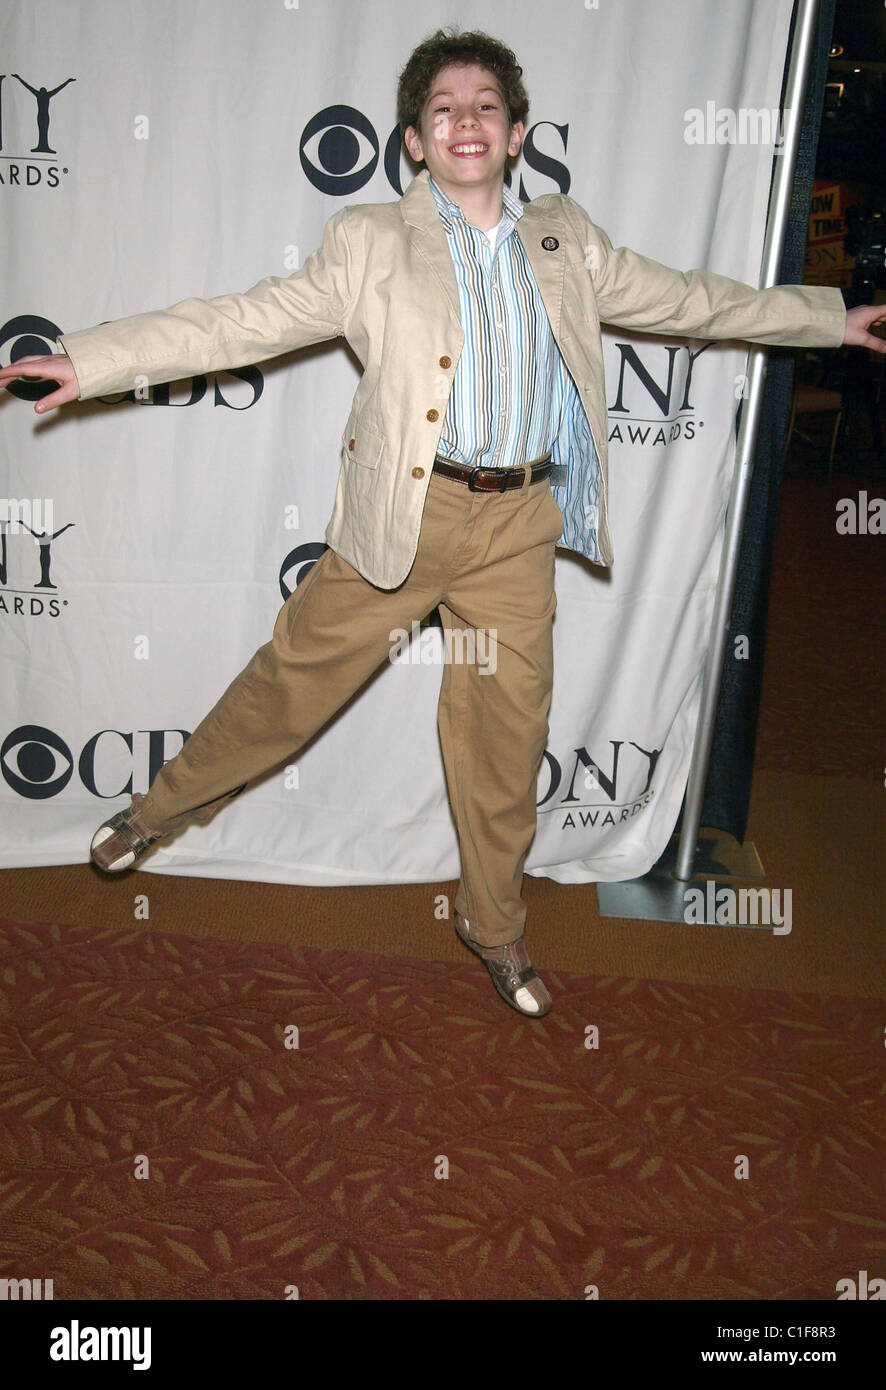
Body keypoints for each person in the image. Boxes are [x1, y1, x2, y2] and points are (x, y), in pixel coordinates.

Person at [2, 28, 883, 1020]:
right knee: (289, 691)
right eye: (443, 109)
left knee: (505, 741)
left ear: (514, 134)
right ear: (416, 142)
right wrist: (94, 360)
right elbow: (242, 321)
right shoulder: (371, 241)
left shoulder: (566, 239)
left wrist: (825, 319)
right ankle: (155, 813)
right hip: (406, 521)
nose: (466, 121)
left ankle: (492, 923)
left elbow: (689, 301)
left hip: (519, 525)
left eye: (485, 107)